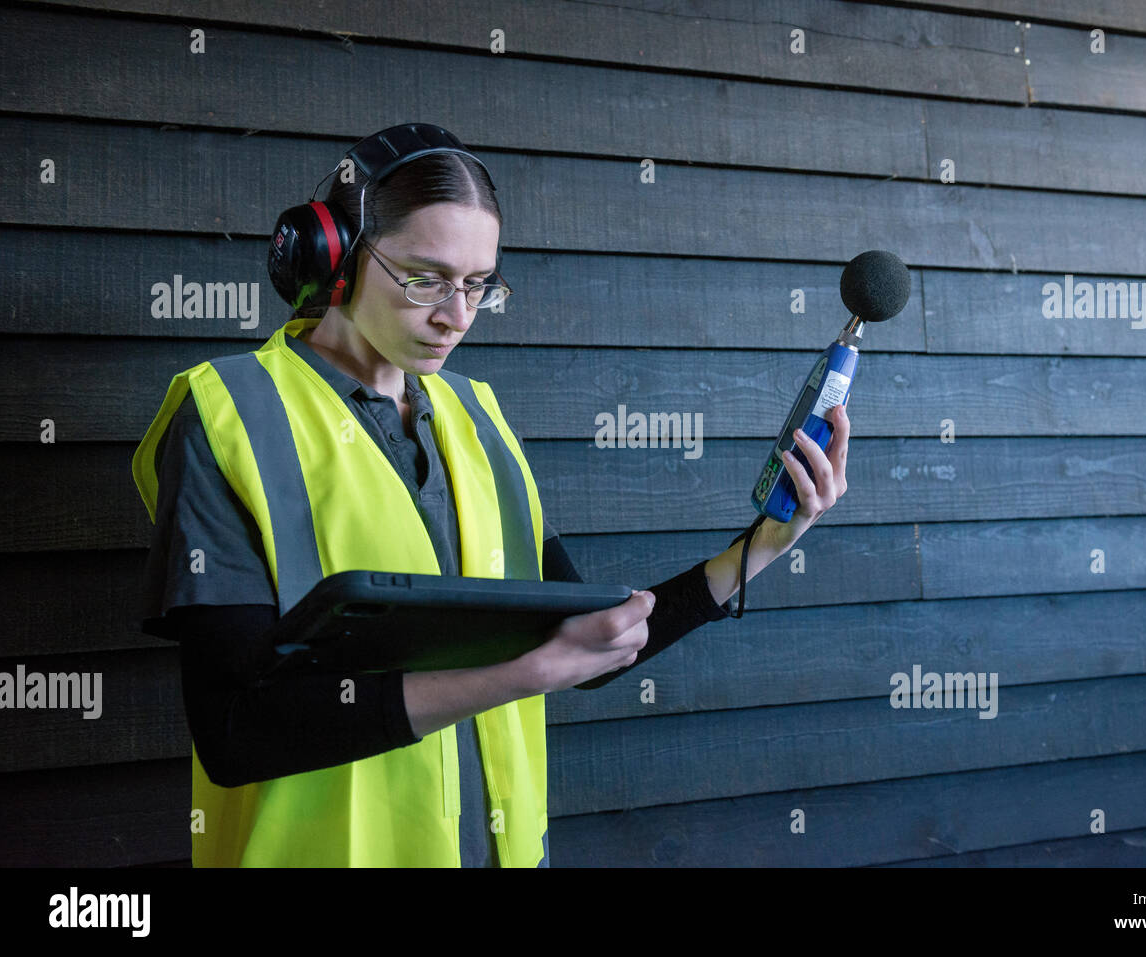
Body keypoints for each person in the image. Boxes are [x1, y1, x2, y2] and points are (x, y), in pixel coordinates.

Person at [131, 123, 851, 867]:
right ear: (336, 258)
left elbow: (592, 643)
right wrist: (519, 676)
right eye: (425, 278)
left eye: (479, 284)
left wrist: (762, 547)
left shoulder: (478, 418)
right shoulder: (227, 415)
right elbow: (235, 731)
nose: (458, 315)